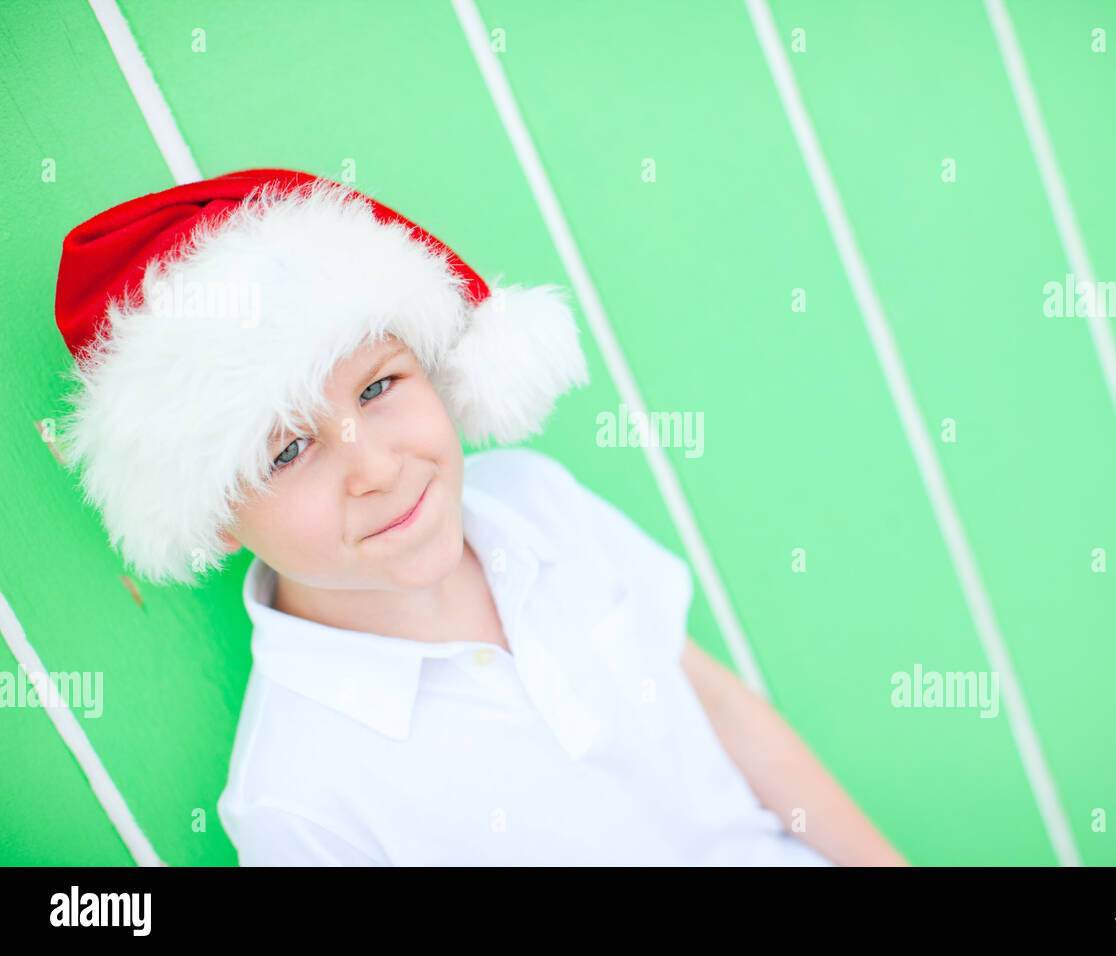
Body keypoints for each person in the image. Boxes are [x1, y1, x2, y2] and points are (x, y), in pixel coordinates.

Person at [52, 168, 907, 866]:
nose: (377, 468)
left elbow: (720, 709)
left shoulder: (538, 501)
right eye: (286, 452)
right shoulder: (299, 797)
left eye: (379, 387)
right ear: (217, 516)